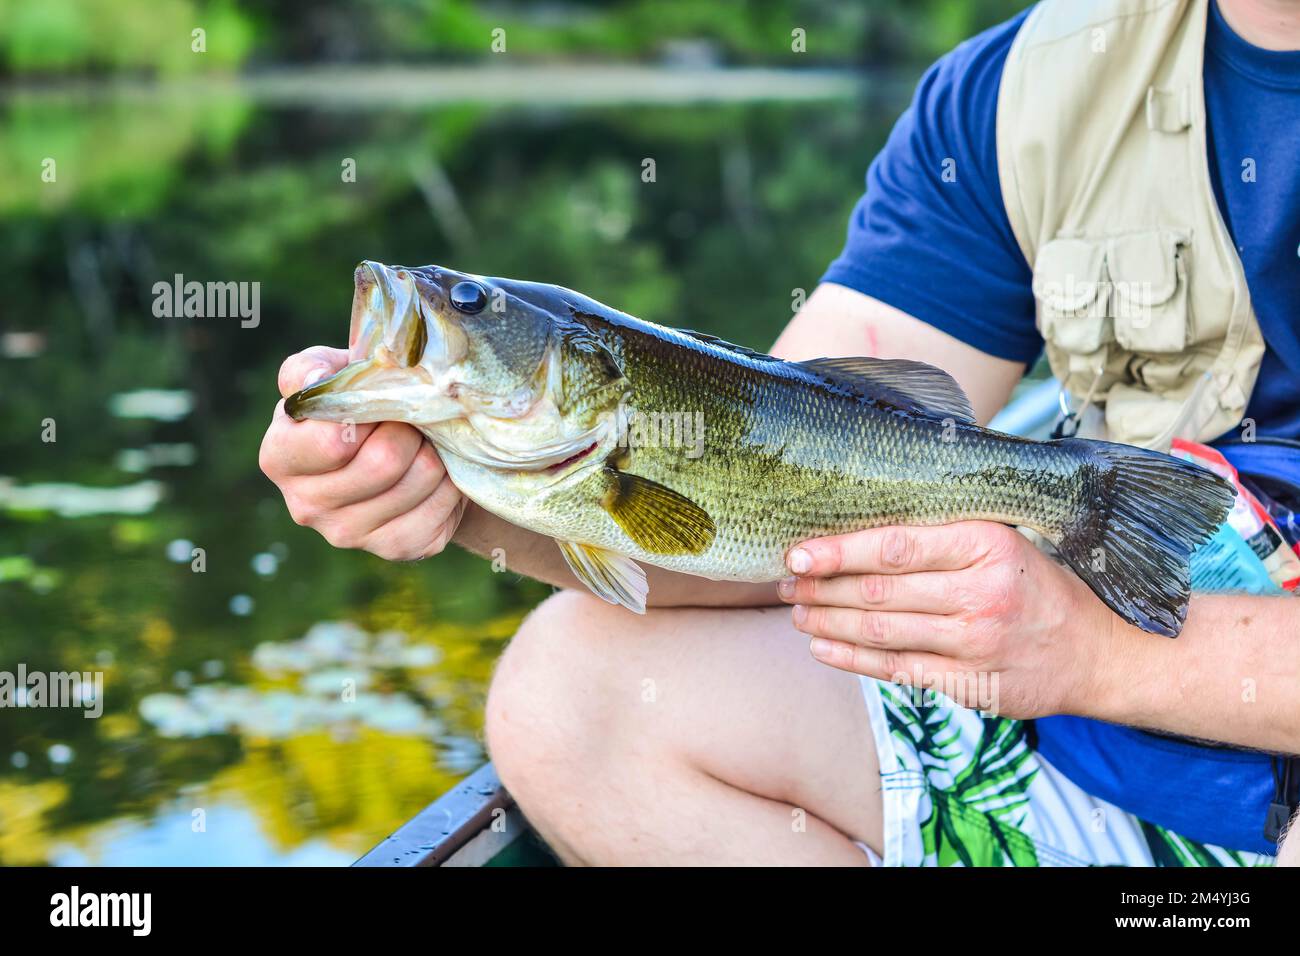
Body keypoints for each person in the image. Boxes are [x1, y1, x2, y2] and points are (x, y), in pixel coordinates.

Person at [260, 0, 1300, 865]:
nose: (459, 313)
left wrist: (1090, 653)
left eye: (478, 306)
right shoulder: (1011, 98)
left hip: (1207, 705)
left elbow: (1084, 647)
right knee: (574, 694)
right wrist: (456, 499)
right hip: (1112, 757)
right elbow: (768, 516)